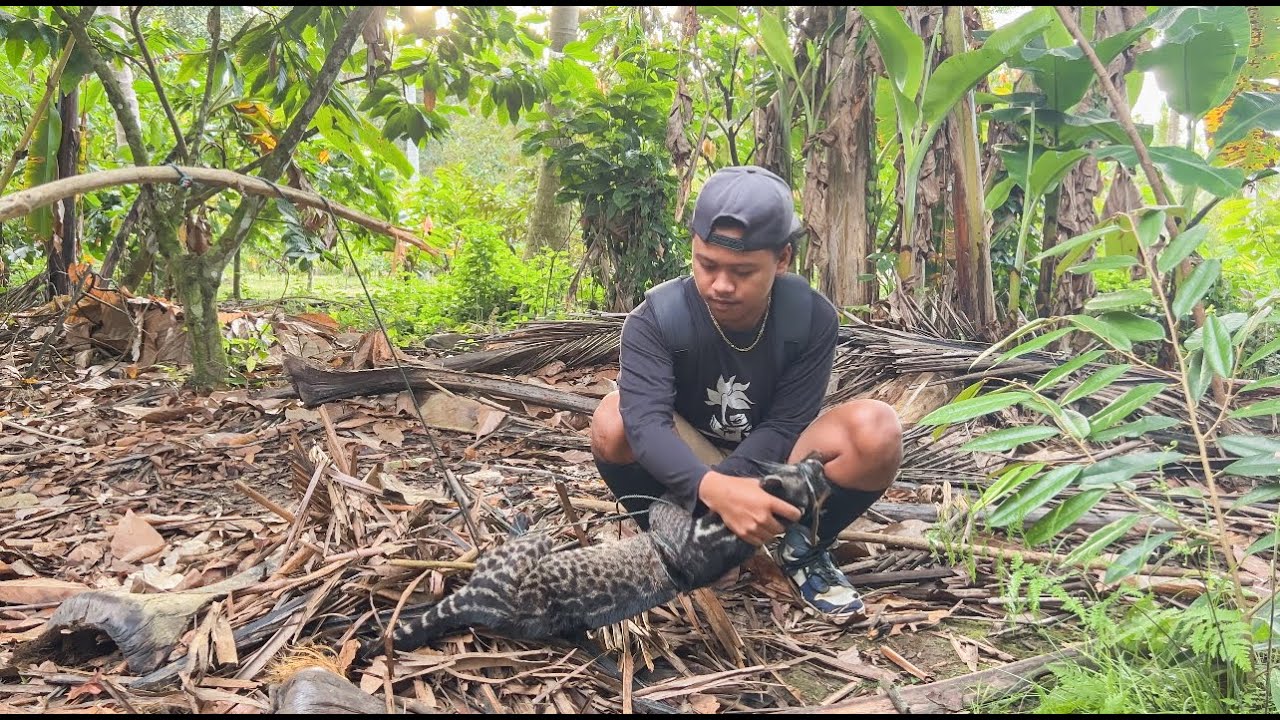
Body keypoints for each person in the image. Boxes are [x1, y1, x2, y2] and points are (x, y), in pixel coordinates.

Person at [589, 165, 903, 619]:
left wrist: (733, 490)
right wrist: (709, 490)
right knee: (612, 421)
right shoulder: (656, 319)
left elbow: (787, 422)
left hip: (774, 457)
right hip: (687, 458)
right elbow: (645, 425)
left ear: (782, 260)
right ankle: (681, 541)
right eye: (706, 264)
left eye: (742, 271)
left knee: (876, 429)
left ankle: (803, 550)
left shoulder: (810, 319)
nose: (721, 284)